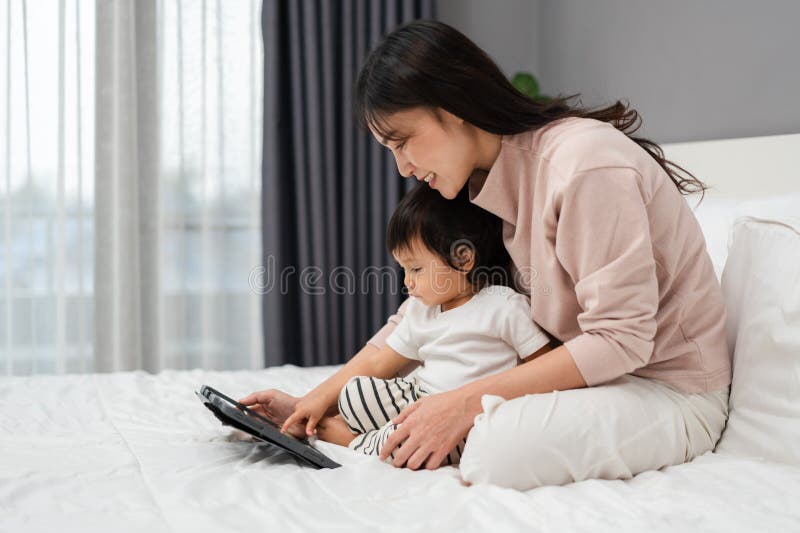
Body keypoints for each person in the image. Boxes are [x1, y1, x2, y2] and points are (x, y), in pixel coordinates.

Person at [243, 20, 731, 490]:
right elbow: (415, 319)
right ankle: (341, 426)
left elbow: (621, 339)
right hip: (597, 383)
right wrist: (314, 400)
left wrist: (464, 404)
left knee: (493, 449)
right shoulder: (483, 182)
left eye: (403, 141)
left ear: (452, 106)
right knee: (440, 414)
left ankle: (360, 436)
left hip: (668, 390)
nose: (403, 167)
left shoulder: (583, 166)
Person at [240, 183, 551, 464]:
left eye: (415, 269)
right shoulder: (421, 311)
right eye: (404, 269)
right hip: (416, 398)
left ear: (463, 258)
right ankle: (315, 423)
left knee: (404, 441)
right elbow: (378, 363)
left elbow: (543, 367)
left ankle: (347, 440)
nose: (407, 283)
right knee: (355, 392)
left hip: (464, 419)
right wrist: (313, 402)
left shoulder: (503, 306)